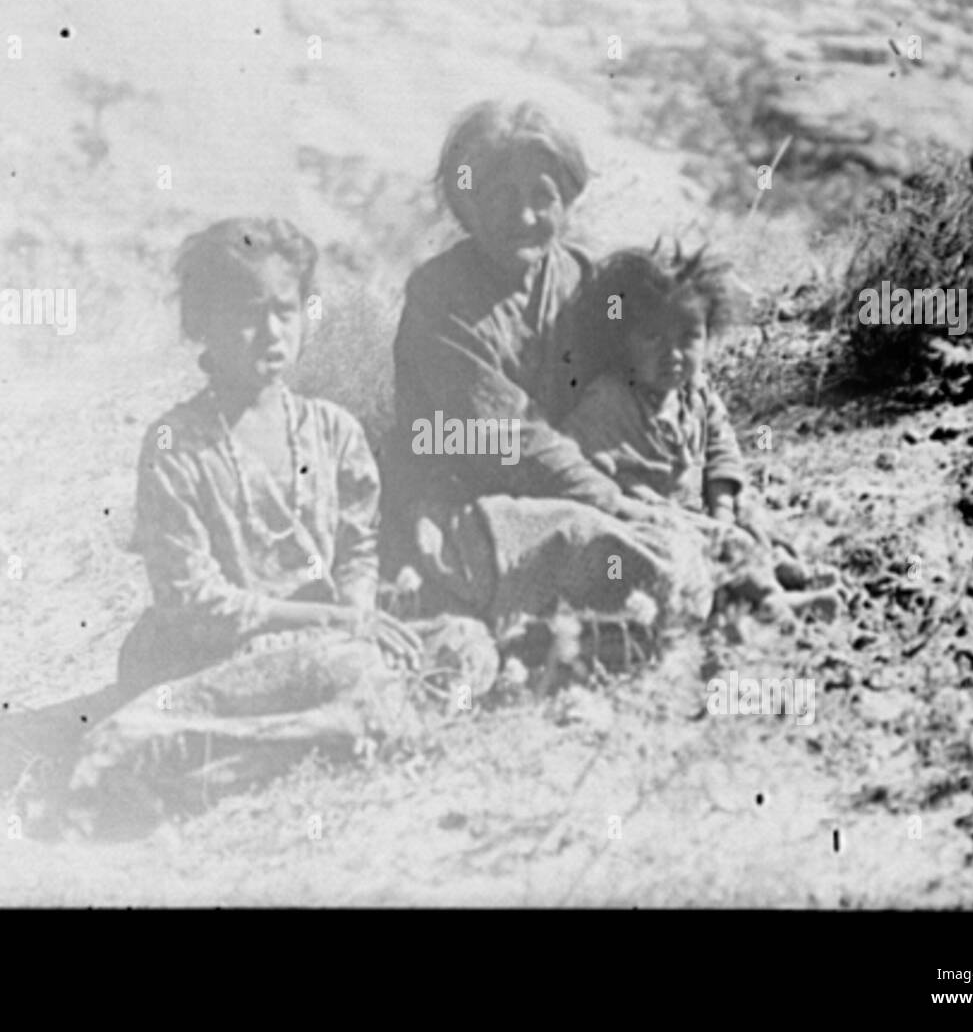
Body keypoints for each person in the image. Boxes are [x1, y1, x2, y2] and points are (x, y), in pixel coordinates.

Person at [51, 217, 425, 836]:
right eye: (247, 314)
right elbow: (190, 600)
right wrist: (330, 624)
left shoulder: (334, 432)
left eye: (285, 310)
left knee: (462, 647)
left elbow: (358, 548)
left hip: (321, 645)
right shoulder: (176, 444)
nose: (270, 333)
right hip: (207, 655)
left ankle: (236, 755)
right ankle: (167, 749)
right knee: (364, 688)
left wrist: (356, 617)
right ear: (203, 324)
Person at [381, 100, 714, 627]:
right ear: (467, 203)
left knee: (680, 531)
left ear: (569, 199)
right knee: (596, 539)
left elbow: (644, 373)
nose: (525, 217)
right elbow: (504, 436)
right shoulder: (439, 300)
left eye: (543, 196)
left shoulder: (584, 280)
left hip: (575, 483)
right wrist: (609, 498)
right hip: (468, 503)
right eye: (501, 197)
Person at [561, 244, 837, 624]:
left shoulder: (695, 391)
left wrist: (723, 508)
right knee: (687, 557)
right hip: (646, 521)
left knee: (749, 521)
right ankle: (768, 599)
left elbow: (721, 446)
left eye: (689, 336)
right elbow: (581, 469)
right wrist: (641, 500)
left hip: (698, 512)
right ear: (622, 340)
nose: (673, 354)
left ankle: (780, 568)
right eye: (653, 337)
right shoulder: (608, 400)